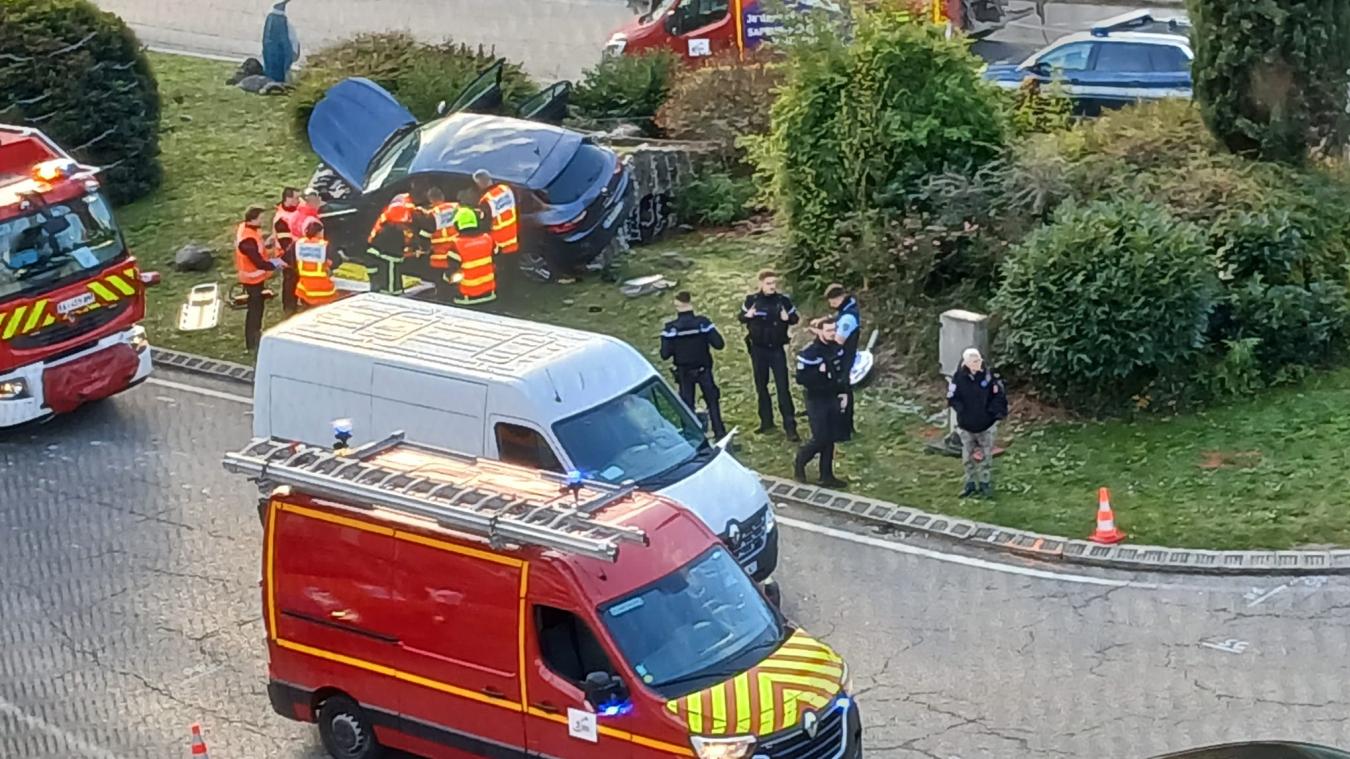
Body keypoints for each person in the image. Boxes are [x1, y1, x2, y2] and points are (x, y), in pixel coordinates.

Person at [739, 269, 800, 442]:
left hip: (776, 350)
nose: (772, 286)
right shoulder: (752, 300)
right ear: (760, 284)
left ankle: (790, 427)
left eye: (774, 283)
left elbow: (795, 318)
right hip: (758, 349)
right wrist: (747, 315)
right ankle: (766, 422)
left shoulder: (782, 301)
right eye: (768, 283)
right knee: (761, 386)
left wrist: (787, 318)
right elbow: (741, 317)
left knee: (783, 388)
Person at [659, 291, 727, 439]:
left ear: (676, 305)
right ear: (691, 303)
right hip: (703, 369)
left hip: (684, 372)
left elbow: (664, 354)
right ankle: (720, 434)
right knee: (712, 402)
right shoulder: (703, 323)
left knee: (686, 407)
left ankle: (692, 438)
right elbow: (719, 344)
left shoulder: (671, 329)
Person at [793, 317, 848, 488]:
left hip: (832, 396)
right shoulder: (810, 353)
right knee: (820, 438)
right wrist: (819, 372)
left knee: (830, 438)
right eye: (828, 331)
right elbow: (801, 379)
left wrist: (843, 394)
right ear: (820, 332)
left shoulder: (836, 349)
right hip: (816, 398)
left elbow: (841, 374)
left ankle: (826, 475)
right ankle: (800, 462)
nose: (832, 334)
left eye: (834, 330)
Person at [947, 347, 1009, 498]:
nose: (978, 363)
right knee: (967, 458)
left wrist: (992, 413)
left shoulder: (988, 376)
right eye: (974, 361)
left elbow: (998, 396)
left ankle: (984, 484)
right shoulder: (957, 378)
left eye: (979, 360)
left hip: (986, 425)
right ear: (966, 363)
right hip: (966, 425)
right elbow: (952, 396)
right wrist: (962, 410)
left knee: (986, 457)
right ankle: (969, 484)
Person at [234, 206, 284, 351]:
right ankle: (252, 341)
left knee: (257, 308)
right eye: (261, 218)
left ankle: (255, 336)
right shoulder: (248, 240)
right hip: (252, 279)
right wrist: (276, 264)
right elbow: (258, 262)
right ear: (253, 219)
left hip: (252, 277)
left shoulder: (246, 229)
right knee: (255, 311)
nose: (263, 221)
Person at [826, 284, 861, 441]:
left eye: (832, 301)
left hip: (844, 358)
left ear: (840, 298)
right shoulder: (848, 308)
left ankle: (844, 427)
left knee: (842, 390)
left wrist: (824, 335)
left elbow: (839, 340)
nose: (831, 304)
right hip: (845, 358)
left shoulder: (848, 317)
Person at [365, 192, 419, 294]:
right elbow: (372, 255)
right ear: (394, 222)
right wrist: (374, 278)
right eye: (402, 223)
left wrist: (412, 250)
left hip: (393, 279)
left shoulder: (397, 233)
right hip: (384, 282)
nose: (404, 226)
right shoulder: (383, 235)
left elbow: (399, 254)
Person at [447, 204, 497, 305]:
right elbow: (498, 258)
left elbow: (452, 273)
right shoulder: (488, 239)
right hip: (490, 294)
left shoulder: (456, 244)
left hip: (467, 298)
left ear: (457, 225)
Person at [420, 187, 460, 302]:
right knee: (456, 284)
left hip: (439, 259)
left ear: (430, 200)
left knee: (442, 289)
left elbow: (425, 235)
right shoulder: (456, 207)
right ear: (443, 197)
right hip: (457, 254)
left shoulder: (432, 214)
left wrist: (423, 248)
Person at [293, 220, 338, 308]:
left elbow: (289, 259)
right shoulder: (323, 245)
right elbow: (336, 261)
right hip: (323, 290)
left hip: (305, 288)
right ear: (319, 233)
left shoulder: (299, 244)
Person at [474, 170, 519, 255]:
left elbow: (484, 225)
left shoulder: (486, 201)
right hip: (513, 241)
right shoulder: (506, 189)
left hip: (498, 246)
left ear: (479, 184)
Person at [272, 187, 301, 315]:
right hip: (288, 255)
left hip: (298, 251)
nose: (299, 200)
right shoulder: (281, 220)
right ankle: (289, 308)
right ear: (288, 199)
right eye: (296, 198)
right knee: (290, 281)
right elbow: (286, 243)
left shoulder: (296, 209)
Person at [261, 0, 300, 84]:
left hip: (282, 57)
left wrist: (290, 56)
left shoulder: (284, 23)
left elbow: (290, 44)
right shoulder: (273, 20)